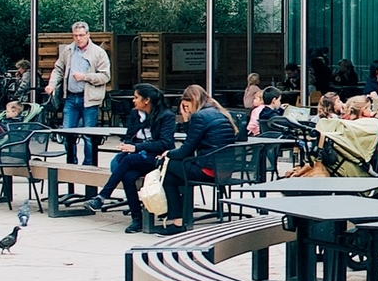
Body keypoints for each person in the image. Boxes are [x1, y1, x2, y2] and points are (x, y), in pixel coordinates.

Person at [157, 86, 238, 230]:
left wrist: (167, 153)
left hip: (208, 170)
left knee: (167, 166)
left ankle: (178, 220)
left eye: (186, 106)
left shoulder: (199, 116)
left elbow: (186, 150)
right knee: (172, 176)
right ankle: (179, 217)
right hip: (224, 170)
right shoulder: (220, 112)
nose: (186, 110)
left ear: (192, 100)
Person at [98, 84, 177, 233]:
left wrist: (137, 148)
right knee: (127, 176)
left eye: (136, 97)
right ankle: (137, 219)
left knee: (128, 161)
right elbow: (129, 137)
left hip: (157, 157)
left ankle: (103, 195)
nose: (133, 100)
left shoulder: (166, 116)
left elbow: (165, 143)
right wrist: (126, 146)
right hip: (138, 156)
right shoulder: (135, 114)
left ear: (146, 100)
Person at [45, 22, 111, 165]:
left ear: (88, 35)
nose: (78, 38)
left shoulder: (98, 53)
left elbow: (105, 76)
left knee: (89, 135)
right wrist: (51, 84)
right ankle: (71, 163)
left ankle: (88, 165)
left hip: (89, 99)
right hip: (70, 98)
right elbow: (58, 69)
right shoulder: (68, 50)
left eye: (81, 35)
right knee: (68, 133)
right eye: (75, 35)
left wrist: (85, 76)